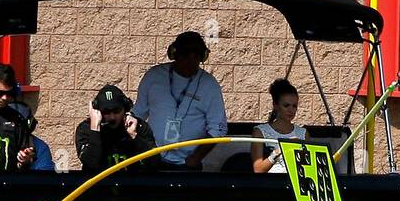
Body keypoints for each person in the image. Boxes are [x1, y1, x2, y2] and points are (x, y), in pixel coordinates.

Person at [133, 31, 228, 171]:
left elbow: (218, 128)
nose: (190, 62)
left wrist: (195, 158)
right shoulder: (153, 77)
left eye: (195, 57)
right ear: (174, 55)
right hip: (153, 159)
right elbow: (138, 113)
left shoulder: (210, 85)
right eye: (185, 56)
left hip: (188, 165)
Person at [75, 85, 157, 174]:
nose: (112, 117)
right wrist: (95, 129)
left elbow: (154, 164)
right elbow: (90, 164)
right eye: (106, 112)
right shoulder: (85, 129)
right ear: (98, 112)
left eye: (116, 111)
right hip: (99, 186)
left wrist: (134, 136)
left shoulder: (138, 127)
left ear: (125, 109)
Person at [250, 79, 306, 174]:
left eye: (294, 106)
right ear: (275, 105)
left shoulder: (303, 133)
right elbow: (258, 169)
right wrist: (279, 151)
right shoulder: (260, 132)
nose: (291, 110)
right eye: (286, 105)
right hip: (272, 184)